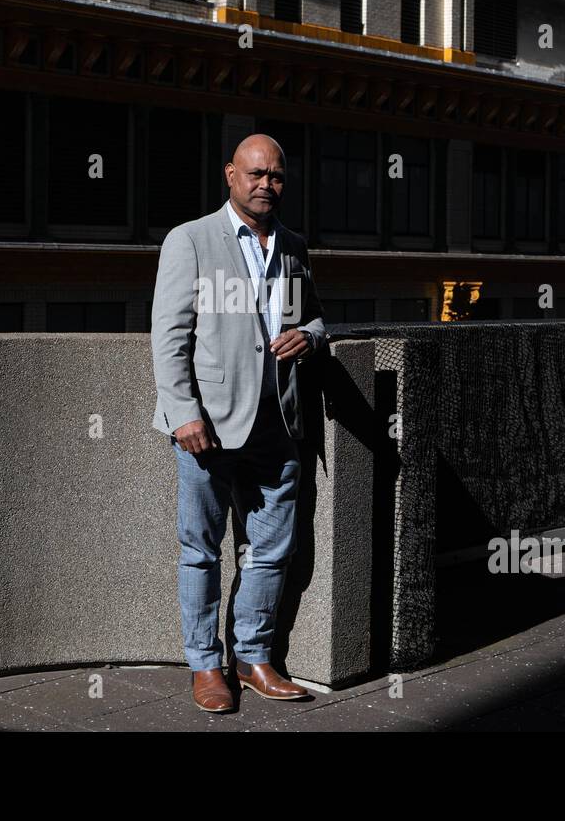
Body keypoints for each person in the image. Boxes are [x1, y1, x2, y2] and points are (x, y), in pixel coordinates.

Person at [150, 133, 328, 713]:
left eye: (275, 176)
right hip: (209, 426)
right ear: (230, 174)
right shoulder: (191, 240)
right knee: (200, 549)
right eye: (255, 174)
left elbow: (309, 319)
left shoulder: (294, 246)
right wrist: (183, 414)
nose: (266, 185)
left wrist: (311, 335)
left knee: (272, 550)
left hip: (280, 424)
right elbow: (169, 336)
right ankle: (205, 665)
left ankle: (253, 658)